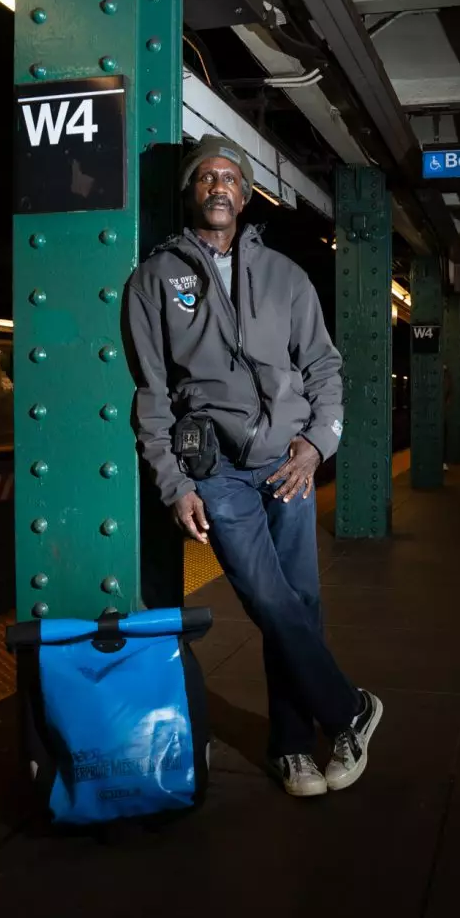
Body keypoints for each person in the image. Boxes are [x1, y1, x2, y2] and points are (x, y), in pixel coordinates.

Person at [128, 135, 382, 798]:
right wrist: (174, 484)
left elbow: (324, 368)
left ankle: (294, 747)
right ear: (192, 193)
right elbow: (151, 395)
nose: (218, 185)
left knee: (298, 602)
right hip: (215, 470)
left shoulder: (286, 276)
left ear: (244, 195)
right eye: (206, 176)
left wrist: (315, 444)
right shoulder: (154, 279)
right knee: (268, 599)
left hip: (287, 462)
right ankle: (351, 709)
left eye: (230, 178)